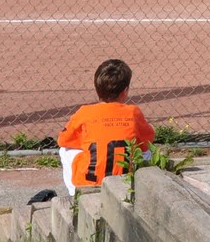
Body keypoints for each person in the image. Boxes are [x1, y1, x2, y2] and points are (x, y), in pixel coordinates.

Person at [57, 59, 154, 196]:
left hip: (89, 183)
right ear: (125, 91)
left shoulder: (84, 112)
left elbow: (63, 140)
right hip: (124, 182)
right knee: (147, 151)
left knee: (65, 150)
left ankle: (74, 193)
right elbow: (147, 142)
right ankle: (136, 186)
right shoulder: (133, 112)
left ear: (97, 89)